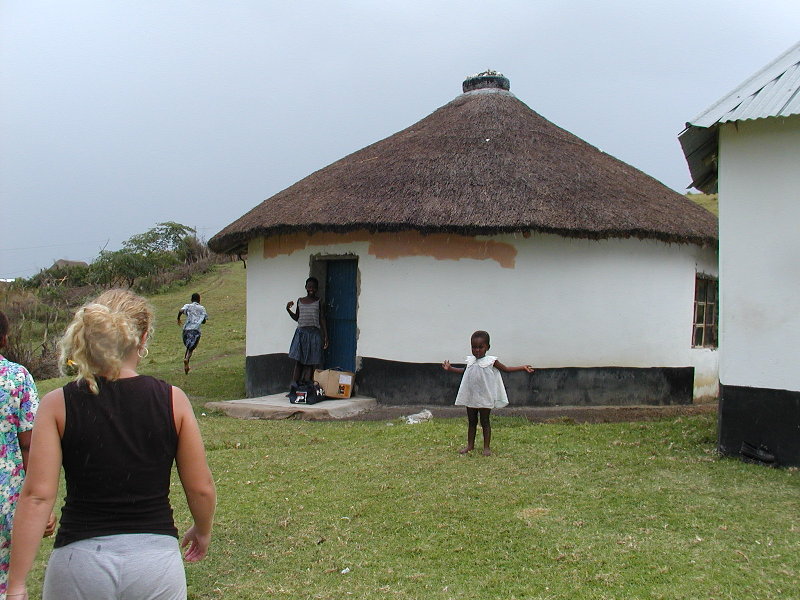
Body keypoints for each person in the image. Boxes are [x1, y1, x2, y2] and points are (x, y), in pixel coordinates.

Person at [8, 289, 216, 600]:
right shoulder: (173, 400)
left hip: (78, 562)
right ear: (142, 338)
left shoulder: (56, 404)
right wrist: (202, 530)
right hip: (154, 563)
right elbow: (201, 488)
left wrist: (16, 584)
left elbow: (37, 496)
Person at [0, 312, 55, 599]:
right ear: (4, 339)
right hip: (7, 503)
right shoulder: (16, 377)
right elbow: (30, 444)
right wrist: (39, 506)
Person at [442, 330, 534, 456]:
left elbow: (506, 369)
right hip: (471, 396)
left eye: (480, 347)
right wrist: (450, 368)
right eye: (474, 347)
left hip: (485, 396)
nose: (477, 350)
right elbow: (464, 371)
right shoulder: (470, 361)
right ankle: (470, 445)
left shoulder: (491, 361)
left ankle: (486, 447)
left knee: (485, 421)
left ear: (487, 347)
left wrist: (522, 367)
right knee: (472, 421)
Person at [286, 277, 328, 386]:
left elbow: (322, 318)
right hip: (301, 334)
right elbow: (297, 318)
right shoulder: (300, 301)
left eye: (314, 287)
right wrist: (288, 309)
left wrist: (325, 336)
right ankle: (294, 386)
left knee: (311, 362)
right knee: (299, 361)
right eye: (309, 287)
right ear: (305, 287)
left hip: (314, 334)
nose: (311, 289)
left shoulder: (319, 302)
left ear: (317, 289)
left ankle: (307, 385)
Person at [178, 292, 208, 374]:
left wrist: (178, 318)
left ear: (191, 299)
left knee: (188, 347)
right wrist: (200, 320)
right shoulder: (202, 308)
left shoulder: (188, 306)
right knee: (191, 348)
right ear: (199, 300)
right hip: (195, 330)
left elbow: (181, 310)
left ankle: (186, 366)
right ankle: (187, 359)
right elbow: (204, 321)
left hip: (186, 330)